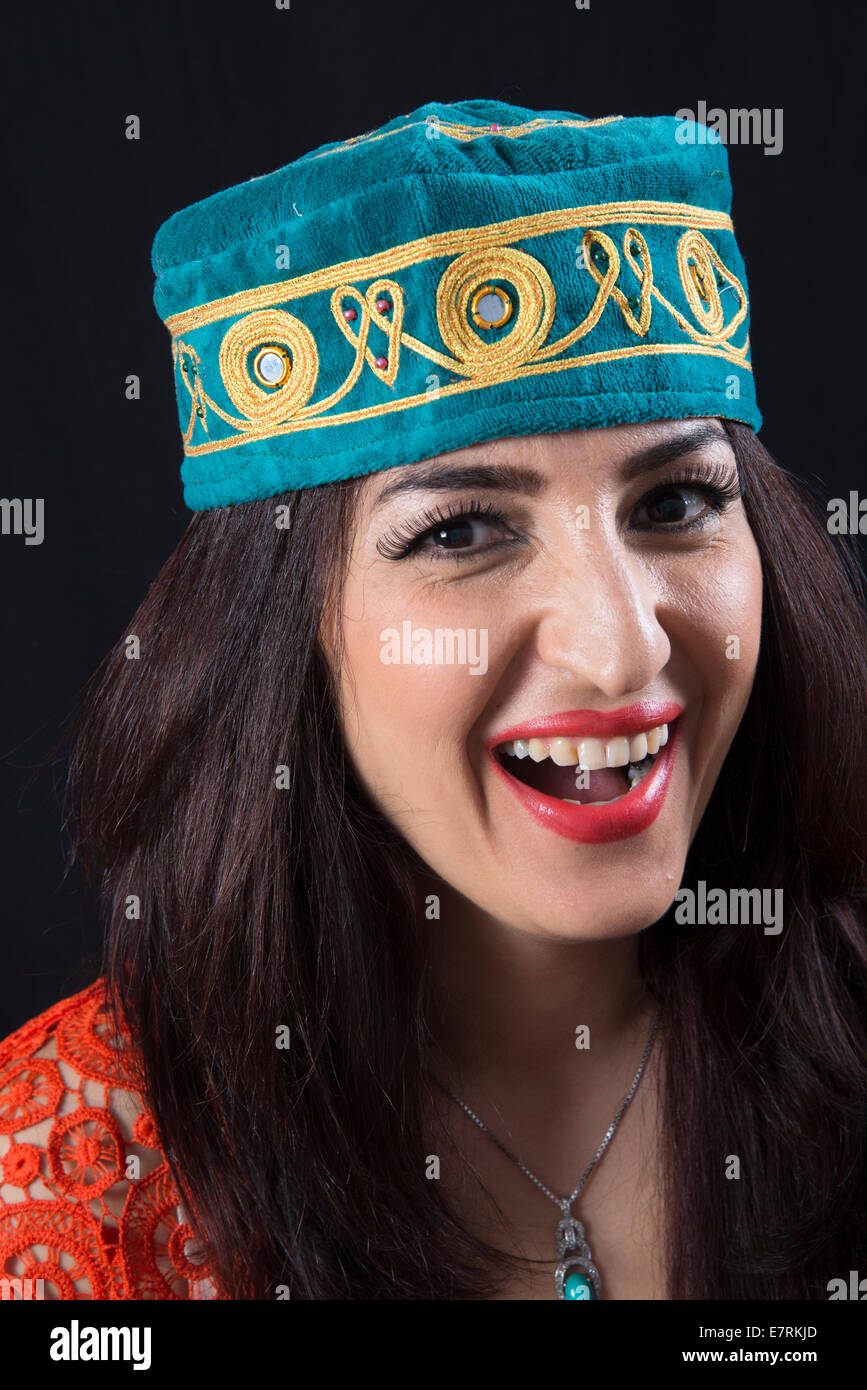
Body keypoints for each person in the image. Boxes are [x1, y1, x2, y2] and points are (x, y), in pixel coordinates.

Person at [1, 98, 864, 1302]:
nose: (617, 652)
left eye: (673, 504)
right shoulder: (67, 1179)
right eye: (462, 528)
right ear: (278, 629)